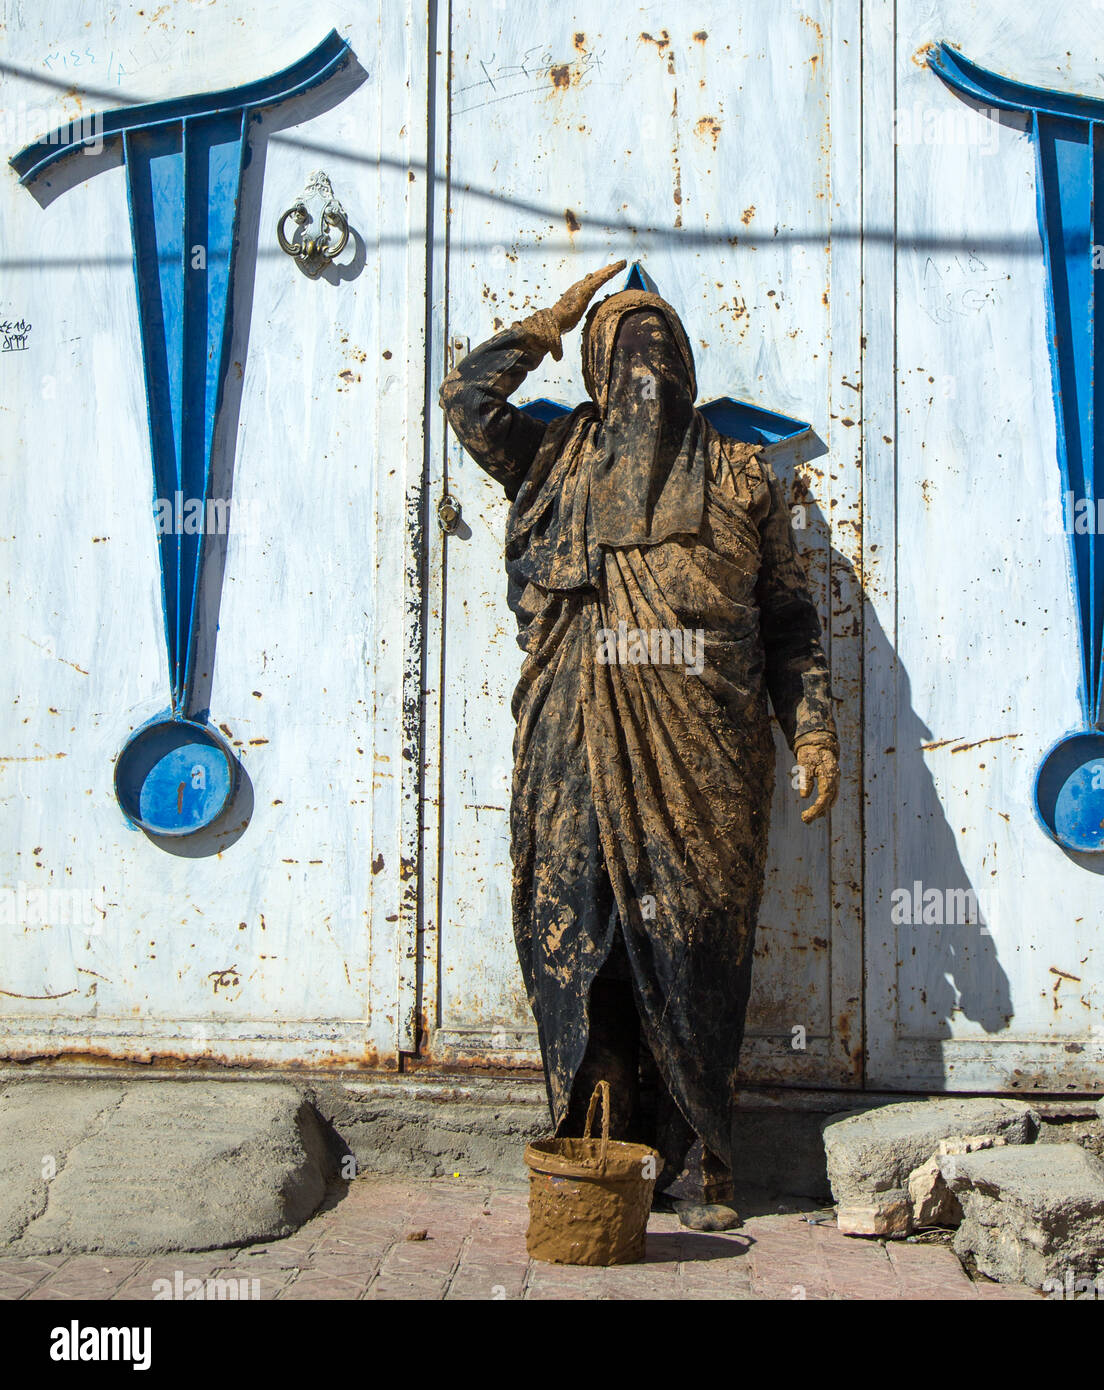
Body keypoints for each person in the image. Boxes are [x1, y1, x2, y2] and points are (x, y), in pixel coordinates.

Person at [439, 260, 839, 1231]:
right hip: (569, 744)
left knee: (693, 948)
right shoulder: (549, 457)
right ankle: (597, 1143)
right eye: (624, 354)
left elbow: (789, 620)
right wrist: (550, 320)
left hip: (705, 761)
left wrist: (814, 725)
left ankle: (702, 1165)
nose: (646, 372)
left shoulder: (744, 474)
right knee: (586, 944)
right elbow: (466, 398)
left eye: (663, 350)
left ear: (689, 370)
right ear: (594, 373)